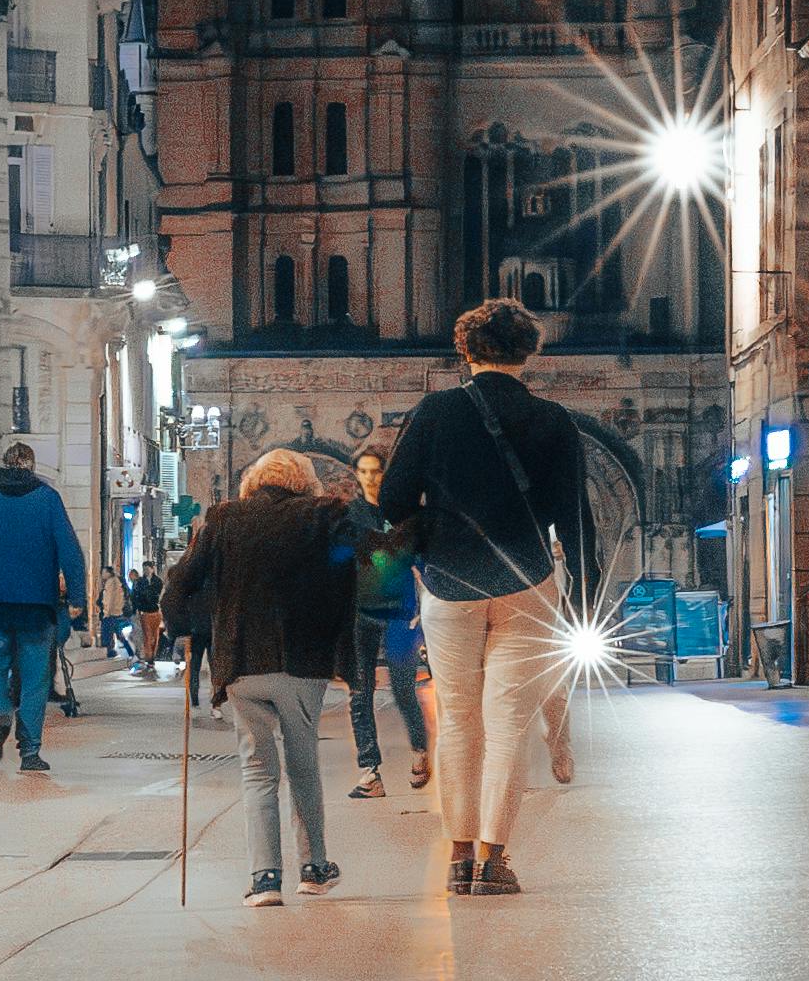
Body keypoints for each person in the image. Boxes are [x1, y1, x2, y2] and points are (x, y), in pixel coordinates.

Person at [374, 298, 596, 894]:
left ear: (465, 350)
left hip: (449, 587)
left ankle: (457, 857)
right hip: (527, 583)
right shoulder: (553, 420)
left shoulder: (436, 413)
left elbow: (392, 499)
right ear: (530, 353)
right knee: (507, 727)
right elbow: (575, 519)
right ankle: (495, 863)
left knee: (458, 723)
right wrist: (586, 595)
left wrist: (430, 544)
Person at [164, 448, 365, 903]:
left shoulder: (223, 520)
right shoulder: (327, 516)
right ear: (305, 482)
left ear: (254, 481)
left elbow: (181, 582)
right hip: (302, 662)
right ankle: (313, 868)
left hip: (241, 662)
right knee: (303, 764)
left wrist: (181, 625)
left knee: (257, 770)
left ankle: (264, 880)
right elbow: (351, 577)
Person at [0, 436, 89, 772]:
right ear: (32, 467)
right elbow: (69, 549)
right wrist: (77, 597)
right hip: (36, 606)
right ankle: (30, 751)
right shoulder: (47, 499)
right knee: (35, 678)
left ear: (4, 461)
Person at [341, 450, 425, 798]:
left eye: (375, 472)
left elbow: (421, 555)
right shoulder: (350, 515)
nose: (370, 478)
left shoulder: (402, 511)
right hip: (360, 611)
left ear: (384, 474)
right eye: (364, 472)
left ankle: (419, 751)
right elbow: (341, 558)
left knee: (404, 689)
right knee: (360, 693)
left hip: (400, 610)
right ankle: (369, 771)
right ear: (356, 476)